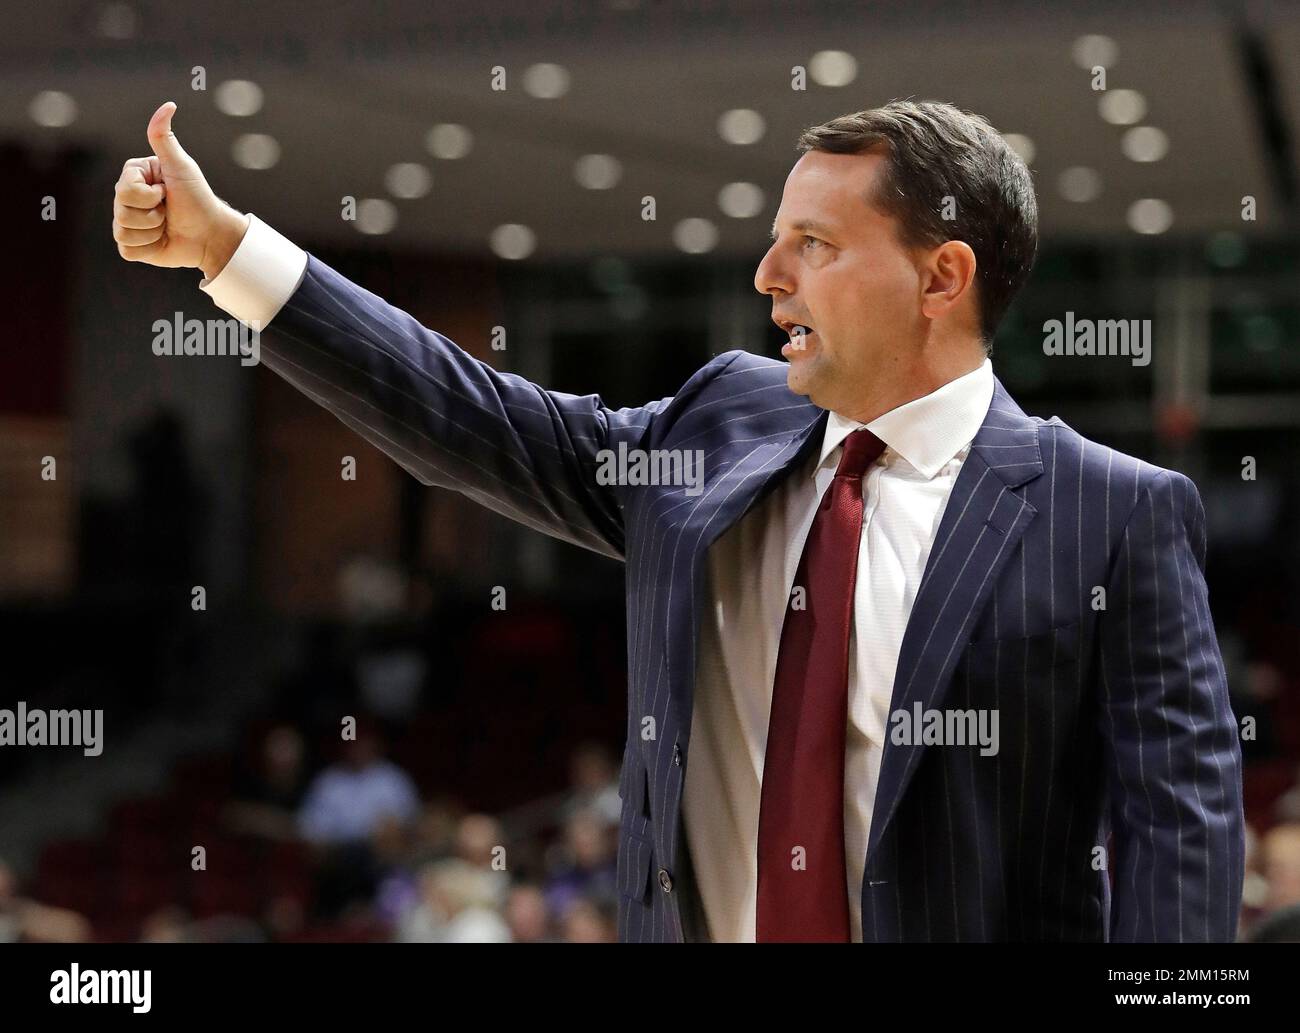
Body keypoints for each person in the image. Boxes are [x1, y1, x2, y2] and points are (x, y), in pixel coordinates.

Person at [112, 98, 1244, 942]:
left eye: (814, 243)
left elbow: (1178, 844)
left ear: (940, 276)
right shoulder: (721, 421)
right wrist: (227, 254)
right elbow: (479, 420)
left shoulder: (1110, 512)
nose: (768, 274)